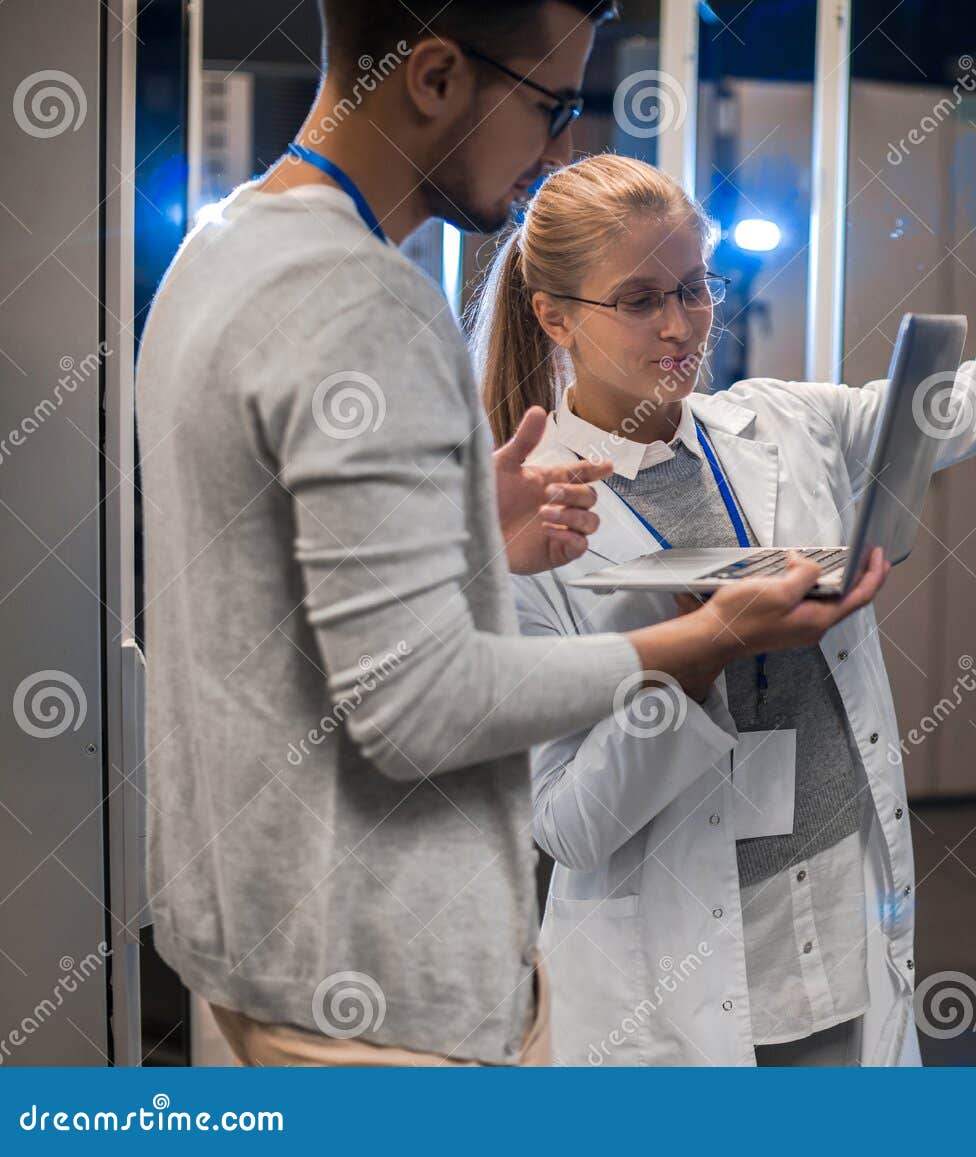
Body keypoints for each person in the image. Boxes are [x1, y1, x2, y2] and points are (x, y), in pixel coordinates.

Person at [135, 0, 887, 1068]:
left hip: (265, 953)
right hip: (384, 997)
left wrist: (463, 547)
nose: (558, 150)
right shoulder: (361, 299)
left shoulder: (224, 250)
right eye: (551, 105)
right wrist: (706, 639)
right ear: (435, 76)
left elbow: (278, 616)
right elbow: (414, 705)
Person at [472, 79, 976, 1065]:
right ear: (554, 318)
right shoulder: (529, 522)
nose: (679, 327)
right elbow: (569, 823)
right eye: (640, 300)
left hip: (842, 941)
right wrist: (701, 650)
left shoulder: (785, 423)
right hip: (671, 992)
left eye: (694, 286)